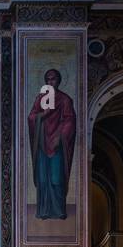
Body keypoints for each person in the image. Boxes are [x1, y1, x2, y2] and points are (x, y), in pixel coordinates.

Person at [27, 68, 76, 220]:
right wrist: (44, 114)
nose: (50, 82)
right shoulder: (40, 99)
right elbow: (31, 117)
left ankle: (59, 210)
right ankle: (43, 211)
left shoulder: (65, 100)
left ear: (59, 80)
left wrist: (60, 137)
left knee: (56, 177)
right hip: (42, 143)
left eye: (53, 79)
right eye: (48, 79)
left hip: (57, 145)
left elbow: (70, 120)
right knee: (42, 178)